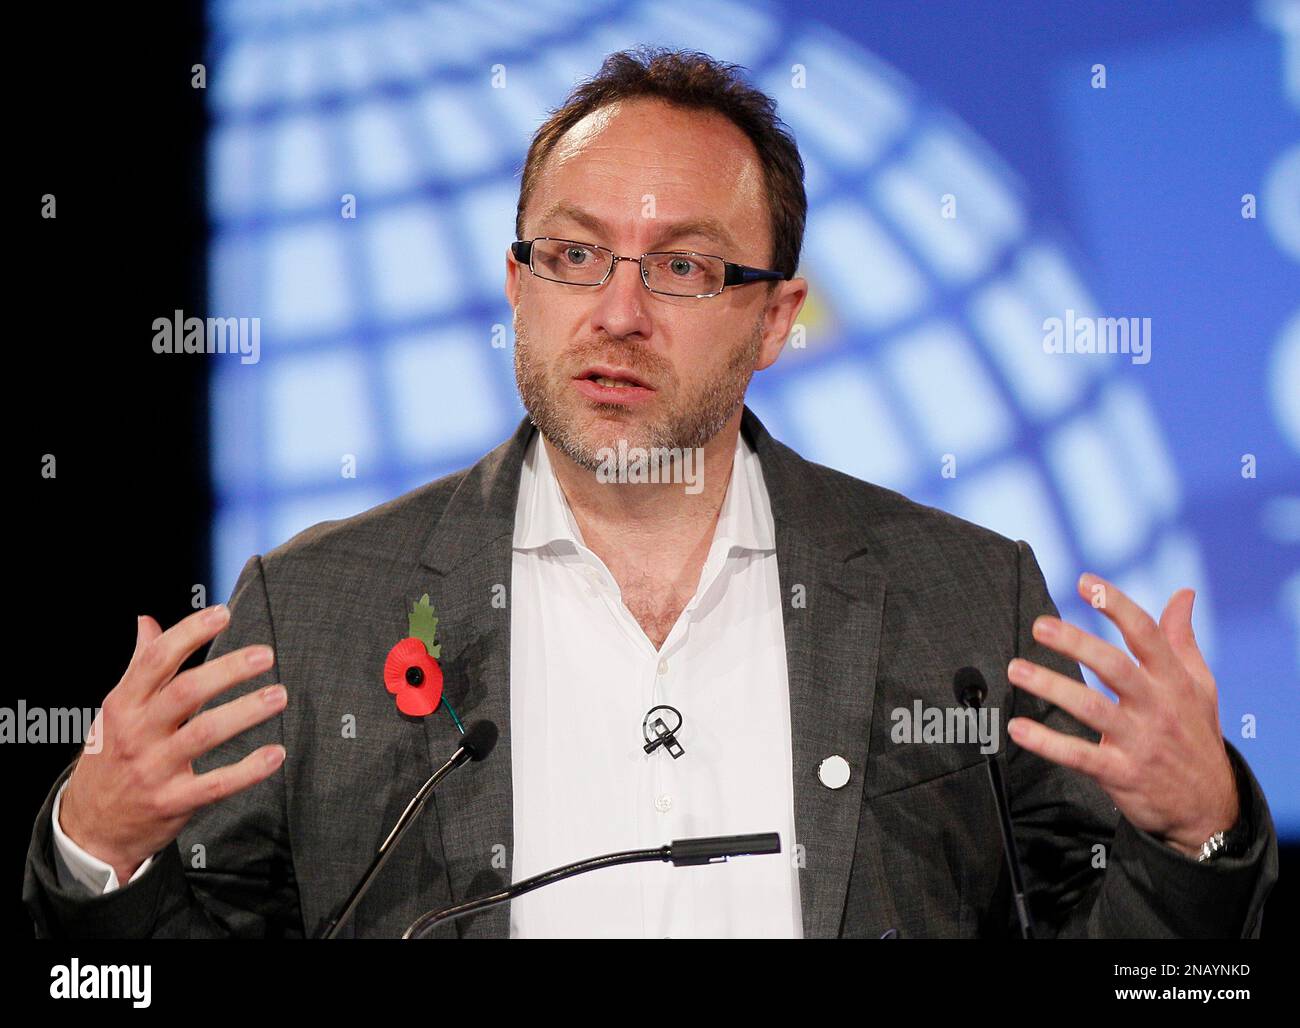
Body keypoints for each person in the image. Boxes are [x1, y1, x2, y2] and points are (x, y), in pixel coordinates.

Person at [24, 47, 1277, 938]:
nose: (616, 313)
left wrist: (1199, 832)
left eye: (681, 265)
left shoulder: (963, 597)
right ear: (517, 284)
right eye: (573, 255)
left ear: (777, 316)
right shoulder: (314, 611)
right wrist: (100, 848)